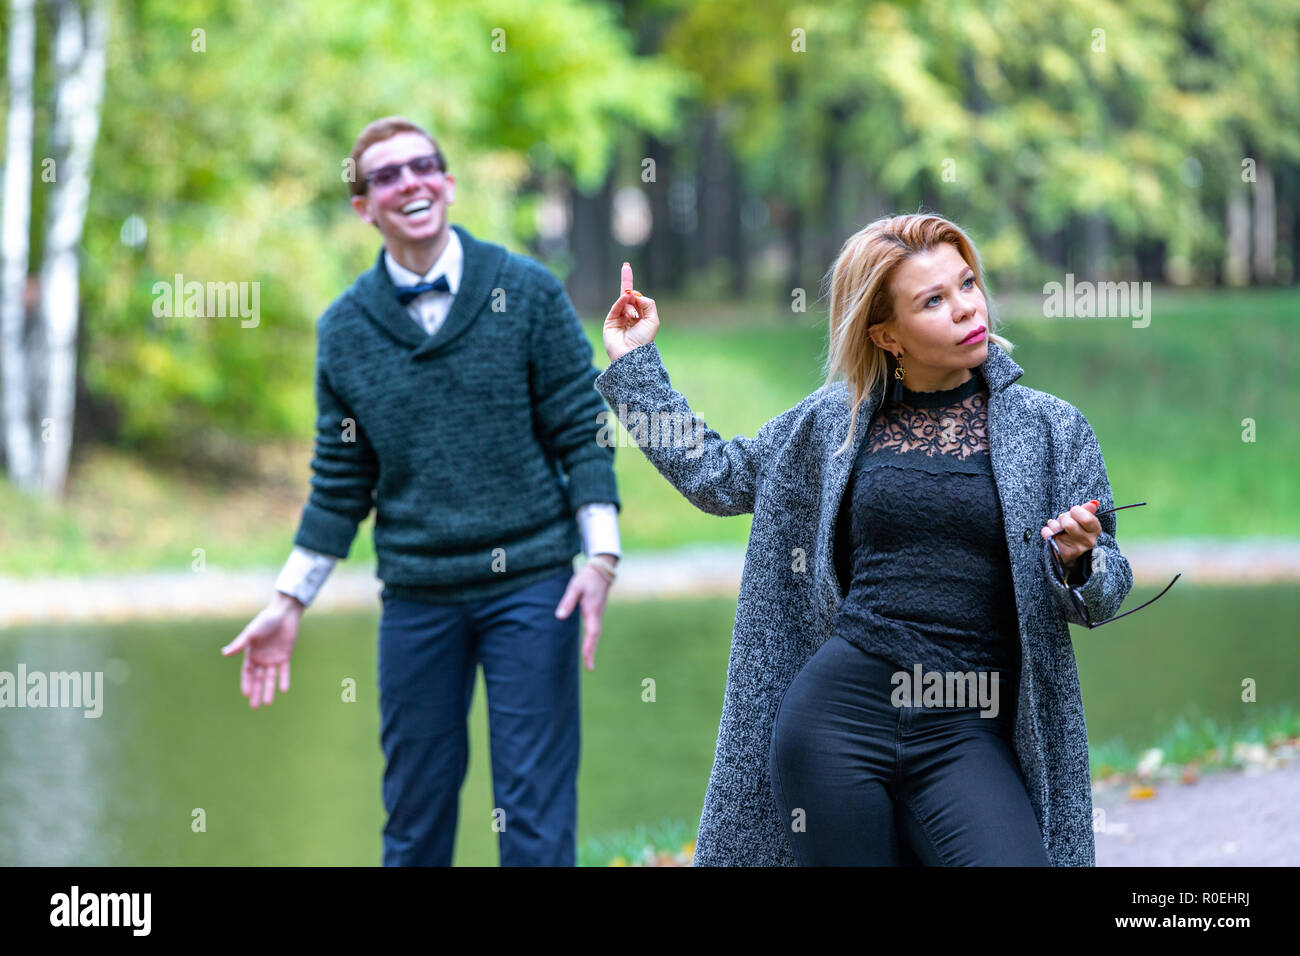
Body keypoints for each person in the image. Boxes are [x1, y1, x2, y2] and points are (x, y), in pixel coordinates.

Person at [596, 213, 1135, 865]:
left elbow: (1105, 596)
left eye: (968, 284)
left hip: (967, 726)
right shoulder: (834, 421)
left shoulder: (1051, 429)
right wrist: (637, 369)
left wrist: (1078, 562)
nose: (966, 308)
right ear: (887, 333)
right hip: (836, 722)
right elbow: (721, 476)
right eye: (933, 300)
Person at [220, 116, 622, 867]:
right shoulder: (344, 329)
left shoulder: (527, 291)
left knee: (534, 819)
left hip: (532, 586)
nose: (410, 182)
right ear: (362, 207)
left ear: (449, 183)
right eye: (386, 175)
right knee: (413, 819)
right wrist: (287, 601)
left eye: (423, 165)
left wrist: (599, 558)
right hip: (416, 597)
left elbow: (584, 430)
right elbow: (341, 484)